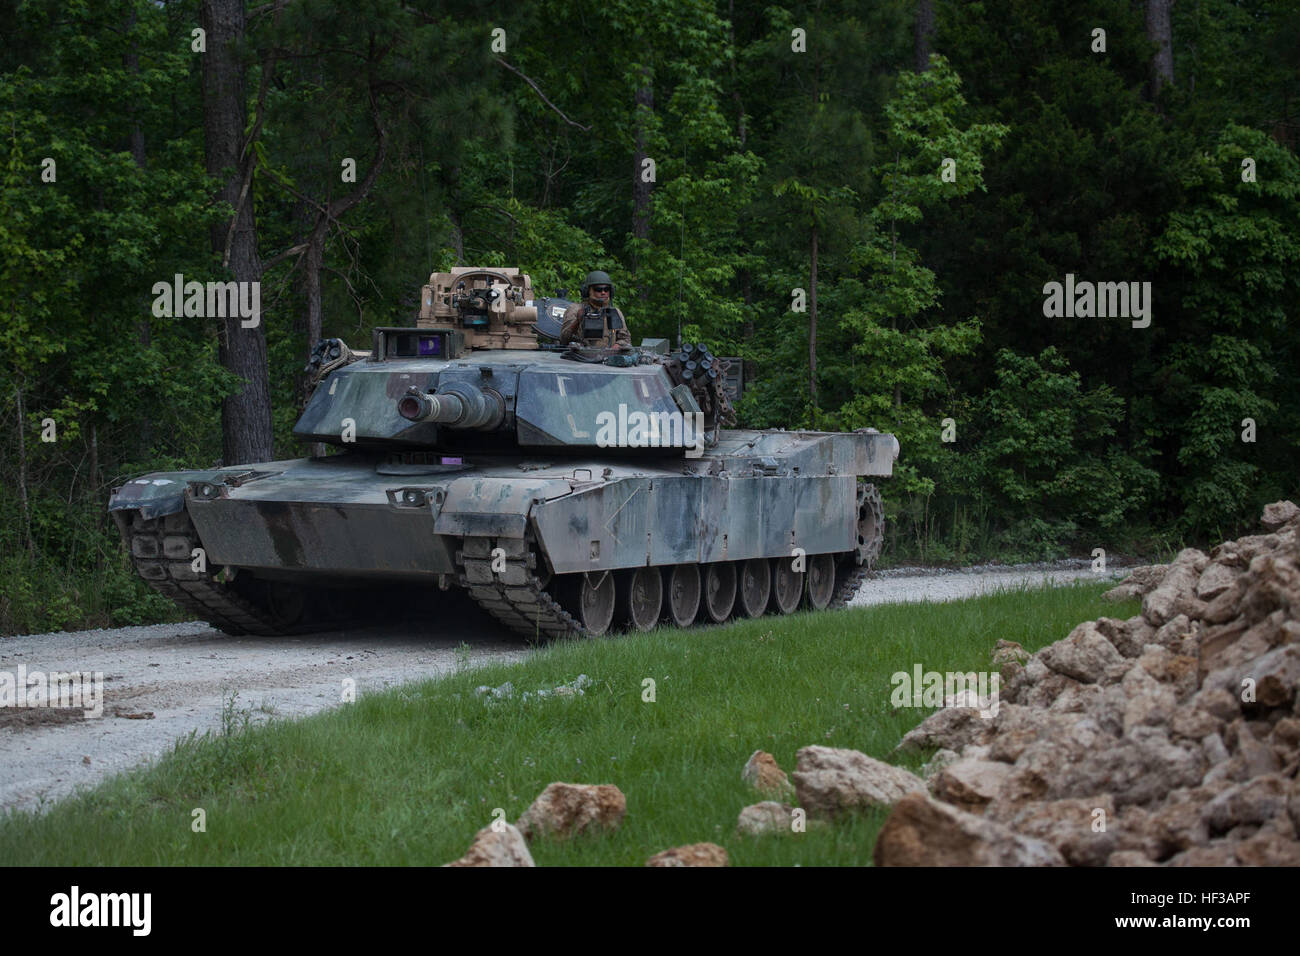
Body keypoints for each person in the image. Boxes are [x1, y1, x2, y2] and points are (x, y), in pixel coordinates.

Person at [559, 270, 631, 348]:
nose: (603, 292)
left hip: (608, 357)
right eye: (598, 289)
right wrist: (577, 321)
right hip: (580, 357)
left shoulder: (615, 312)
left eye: (606, 289)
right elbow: (564, 339)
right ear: (587, 291)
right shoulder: (575, 309)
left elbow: (625, 339)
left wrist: (615, 347)